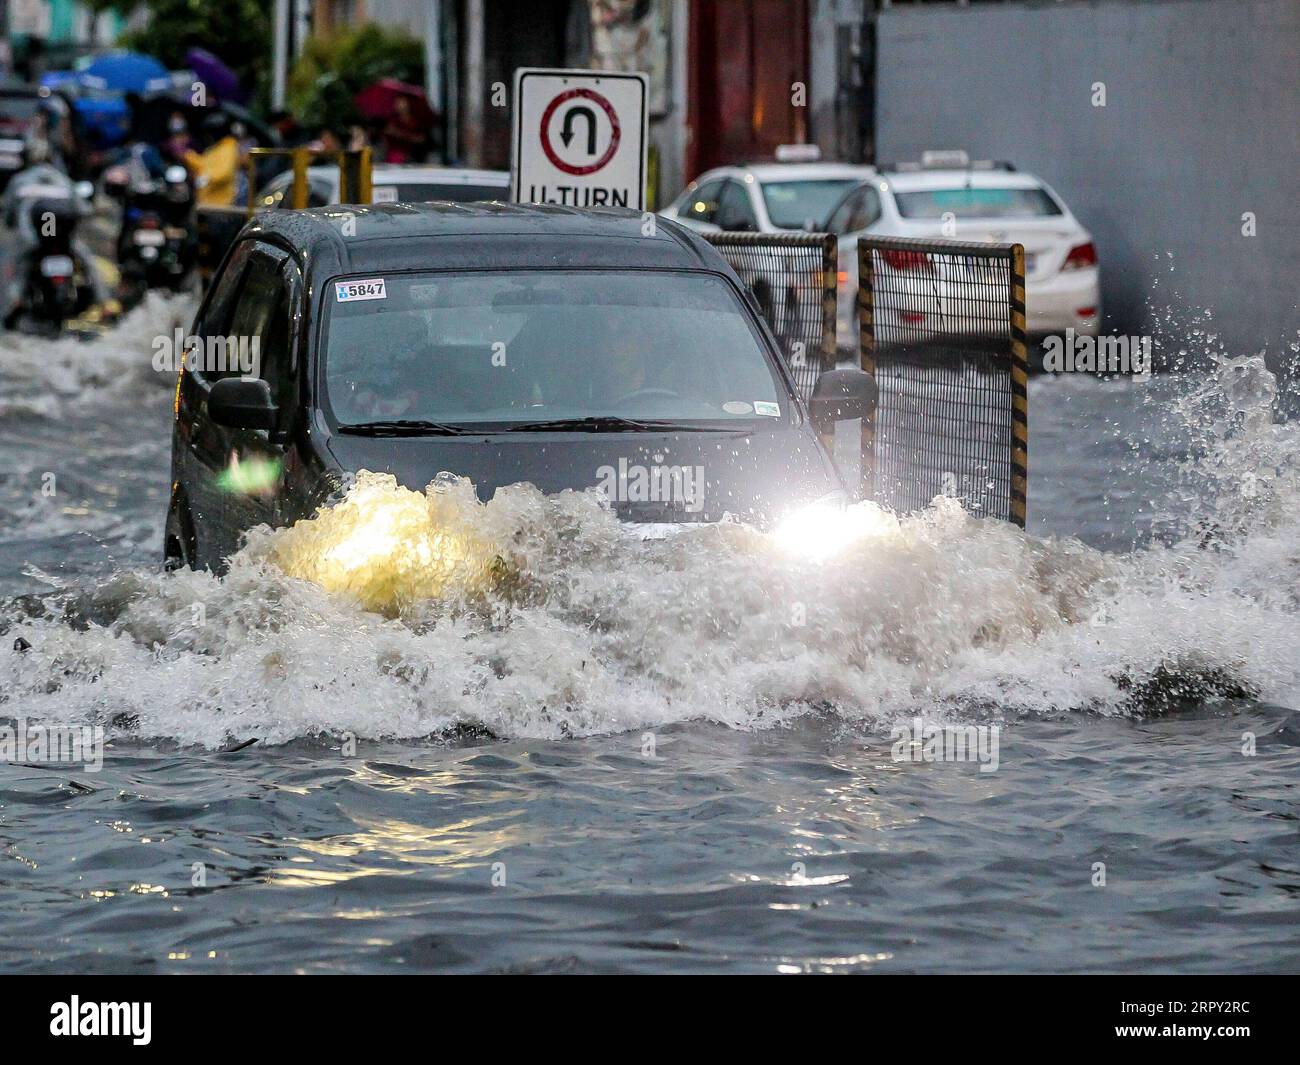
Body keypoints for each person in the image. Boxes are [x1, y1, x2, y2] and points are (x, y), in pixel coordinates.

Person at [184, 114, 241, 207]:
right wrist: (190, 156)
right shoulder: (216, 148)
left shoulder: (228, 148)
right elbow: (204, 165)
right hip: (208, 202)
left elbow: (225, 172)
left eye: (210, 133)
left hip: (220, 203)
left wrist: (207, 178)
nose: (208, 136)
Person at [381, 95, 428, 164]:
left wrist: (400, 134)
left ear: (408, 103)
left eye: (401, 102)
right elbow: (387, 135)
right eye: (396, 103)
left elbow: (421, 138)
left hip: (415, 155)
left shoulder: (416, 120)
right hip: (396, 155)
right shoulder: (392, 119)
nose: (398, 105)